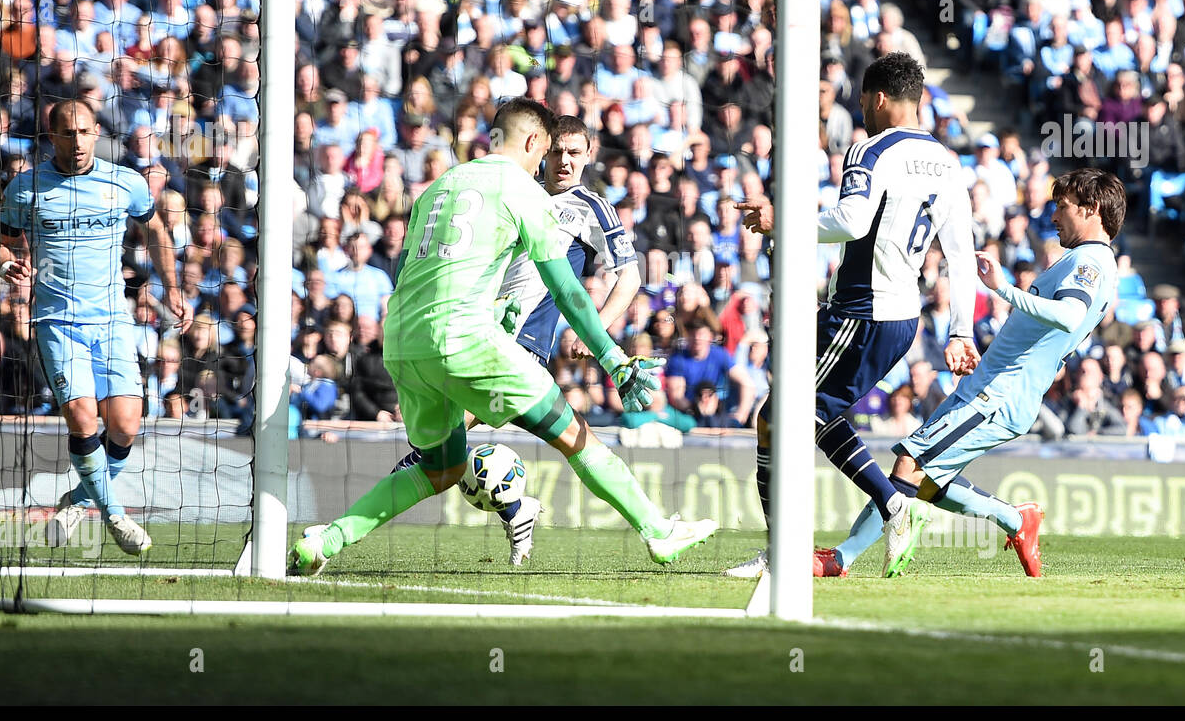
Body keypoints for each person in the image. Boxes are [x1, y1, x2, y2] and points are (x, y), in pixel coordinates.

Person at [289, 99, 715, 575]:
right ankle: (657, 531)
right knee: (575, 436)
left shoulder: (441, 185)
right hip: (471, 341)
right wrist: (613, 359)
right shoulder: (524, 191)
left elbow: (421, 269)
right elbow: (568, 290)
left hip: (404, 342)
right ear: (535, 144)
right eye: (548, 152)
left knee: (441, 464)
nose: (551, 163)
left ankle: (326, 540)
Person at [723, 52, 979, 579]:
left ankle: (887, 506)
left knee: (792, 415)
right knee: (788, 416)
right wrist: (961, 330)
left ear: (877, 99)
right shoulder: (950, 163)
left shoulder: (870, 148)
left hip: (863, 310)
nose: (862, 110)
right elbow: (962, 254)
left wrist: (780, 218)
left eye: (863, 101)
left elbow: (852, 220)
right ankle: (801, 542)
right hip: (899, 317)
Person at [823, 168, 1125, 579]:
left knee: (911, 466)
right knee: (930, 482)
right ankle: (1018, 521)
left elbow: (1069, 316)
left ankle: (841, 559)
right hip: (993, 386)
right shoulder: (1083, 260)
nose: (1054, 216)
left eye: (1063, 206)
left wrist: (1002, 288)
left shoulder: (1090, 262)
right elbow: (1036, 335)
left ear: (1091, 209)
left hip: (997, 397)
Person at [385, 114, 642, 563]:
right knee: (447, 454)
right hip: (472, 328)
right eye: (557, 151)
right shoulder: (511, 189)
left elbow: (629, 277)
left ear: (589, 155)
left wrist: (598, 327)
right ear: (541, 151)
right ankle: (517, 508)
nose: (564, 161)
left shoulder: (591, 207)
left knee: (437, 453)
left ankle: (655, 528)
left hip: (519, 341)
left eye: (574, 153)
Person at [0, 99, 191, 555]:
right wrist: (7, 263)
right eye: (68, 133)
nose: (78, 141)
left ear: (96, 131)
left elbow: (157, 232)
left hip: (111, 320)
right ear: (52, 138)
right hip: (56, 322)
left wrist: (173, 288)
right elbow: (3, 241)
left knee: (125, 425)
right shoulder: (25, 189)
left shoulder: (124, 182)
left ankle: (78, 501)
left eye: (85, 132)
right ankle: (116, 517)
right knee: (84, 419)